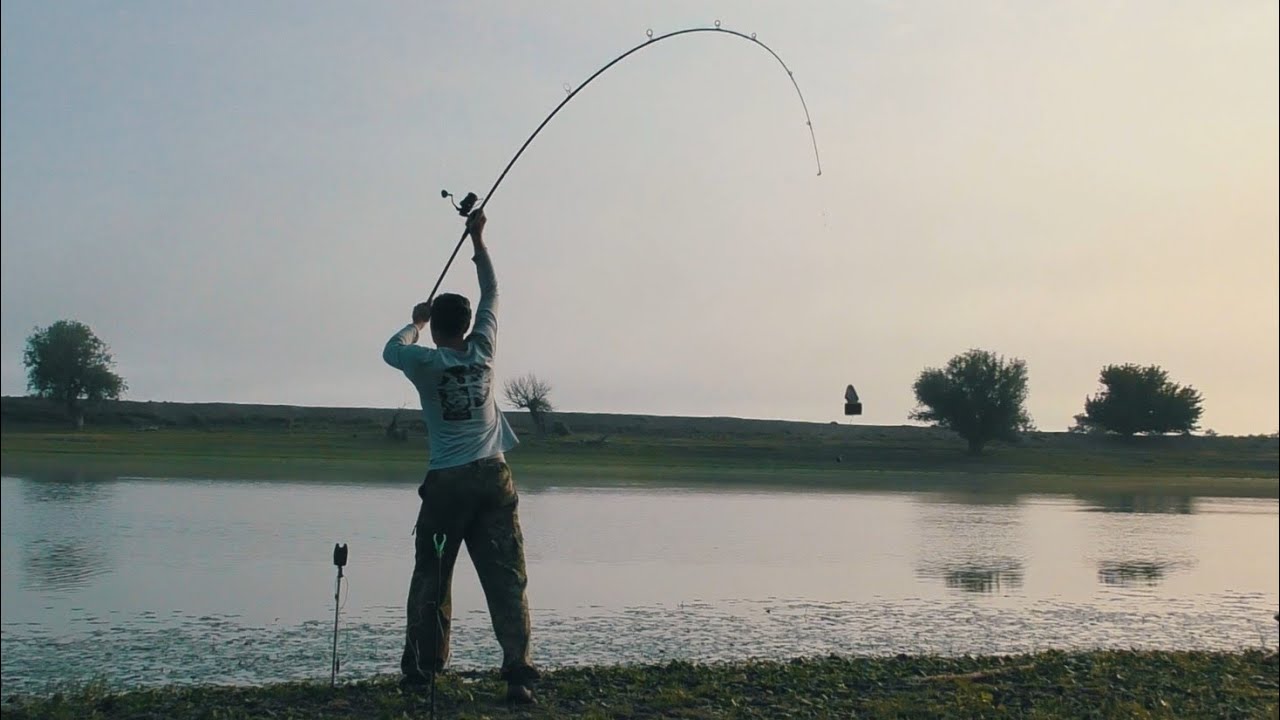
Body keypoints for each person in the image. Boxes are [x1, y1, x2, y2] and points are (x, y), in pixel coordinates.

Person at [382, 209, 538, 704]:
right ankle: (518, 669)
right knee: (506, 574)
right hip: (494, 478)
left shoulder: (423, 360)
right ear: (469, 325)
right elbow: (493, 293)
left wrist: (414, 322)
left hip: (447, 486)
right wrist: (478, 239)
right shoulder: (484, 350)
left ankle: (424, 672)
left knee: (433, 572)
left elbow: (391, 349)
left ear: (436, 330)